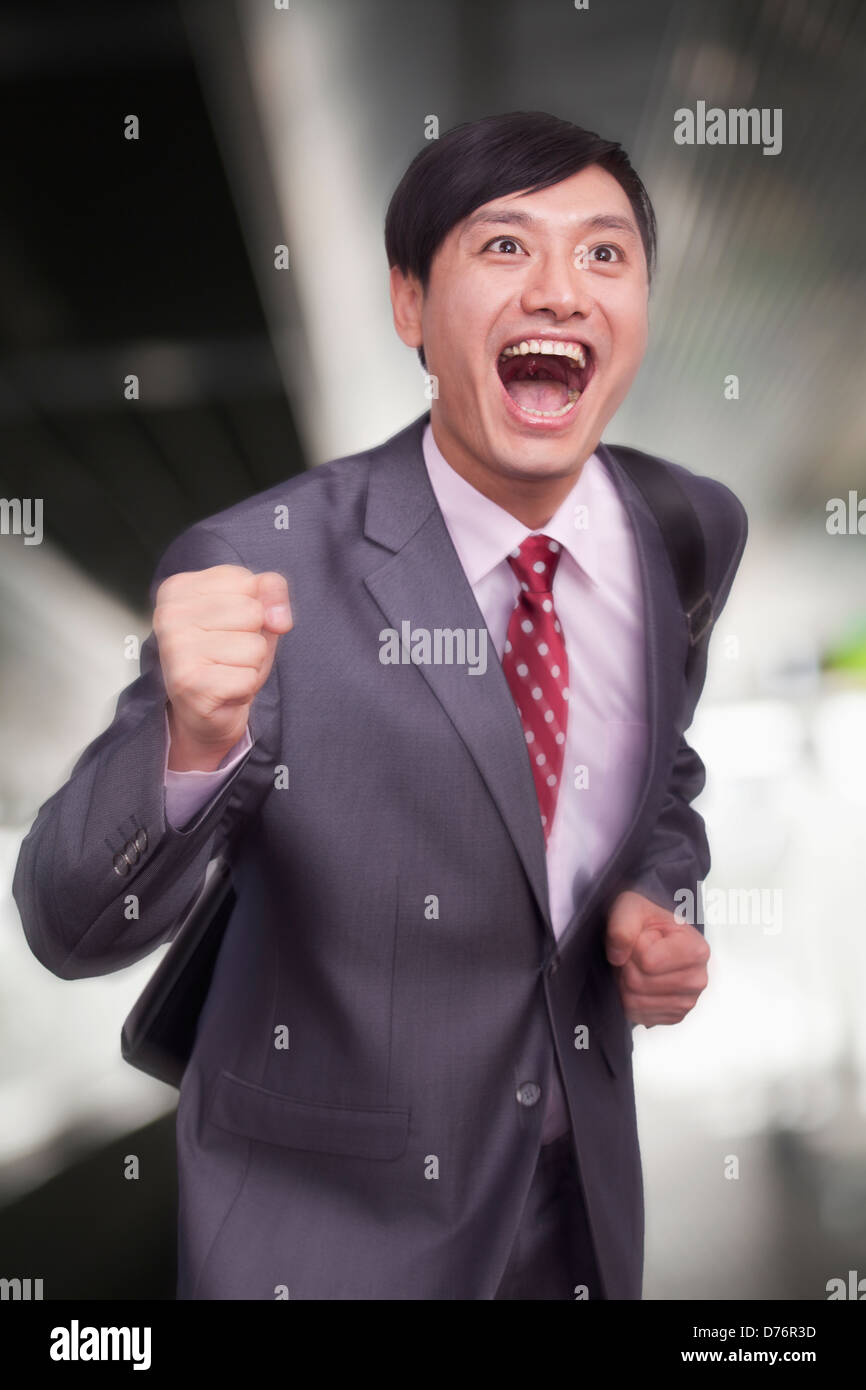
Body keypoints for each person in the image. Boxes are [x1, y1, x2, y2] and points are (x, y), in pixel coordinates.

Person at [13, 111, 747, 1300]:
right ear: (408, 306)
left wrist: (650, 898)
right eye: (504, 248)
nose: (561, 291)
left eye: (603, 254)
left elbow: (658, 777)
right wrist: (194, 742)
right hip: (328, 1238)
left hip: (580, 1217)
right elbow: (66, 921)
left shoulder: (684, 529)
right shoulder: (264, 564)